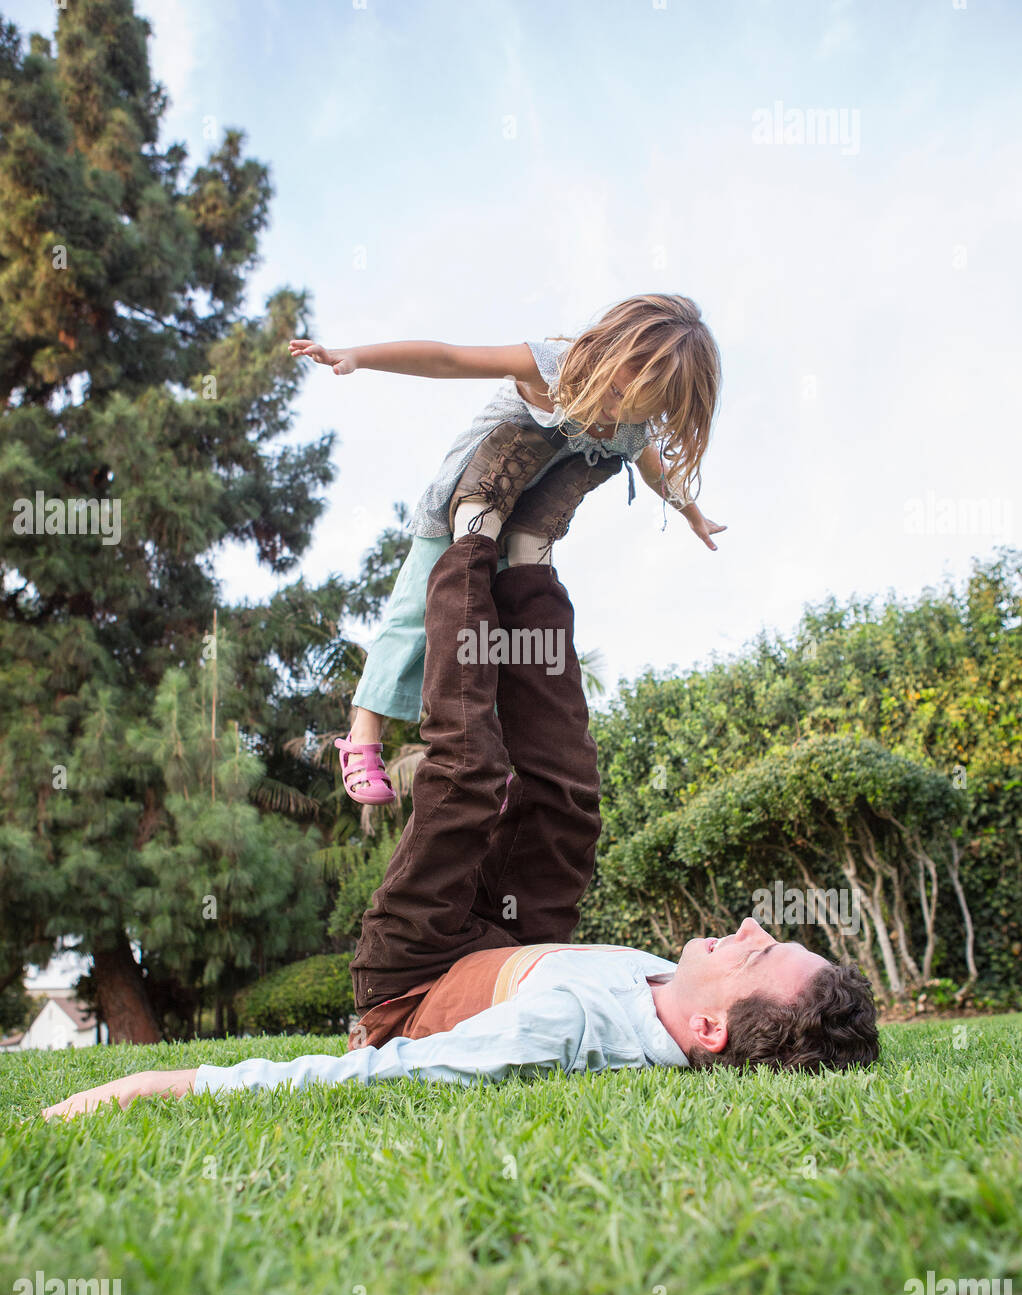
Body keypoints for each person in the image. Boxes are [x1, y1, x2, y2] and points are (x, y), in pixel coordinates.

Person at [39, 534, 879, 1122]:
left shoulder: (558, 1033)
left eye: (761, 953)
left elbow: (374, 1074)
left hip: (416, 983)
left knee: (471, 776)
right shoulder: (676, 988)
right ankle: (529, 565)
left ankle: (471, 545)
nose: (751, 926)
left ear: (709, 1031)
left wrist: (157, 1084)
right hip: (512, 942)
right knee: (566, 800)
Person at [288, 292, 727, 804]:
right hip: (460, 509)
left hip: (521, 531)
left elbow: (657, 472)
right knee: (414, 614)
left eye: (638, 407)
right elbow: (448, 358)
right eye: (615, 392)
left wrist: (692, 513)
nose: (617, 411)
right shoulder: (552, 366)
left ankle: (505, 757)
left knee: (500, 641)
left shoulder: (630, 428)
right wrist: (358, 356)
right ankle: (363, 735)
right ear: (609, 352)